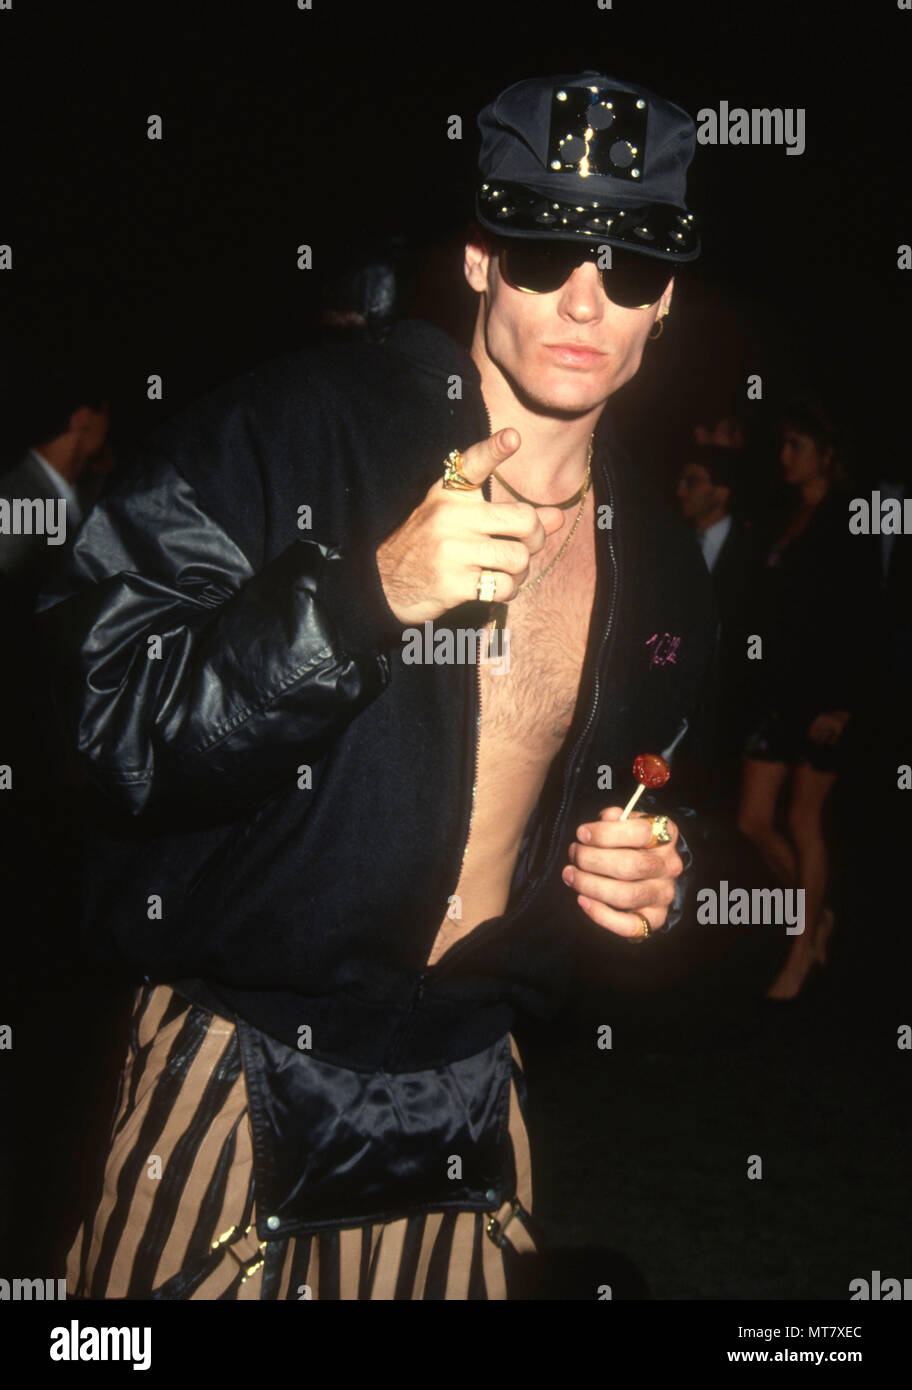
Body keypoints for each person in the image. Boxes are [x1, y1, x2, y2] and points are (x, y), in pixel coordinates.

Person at [36, 71, 716, 1300]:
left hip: (475, 1076)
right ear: (475, 258)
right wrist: (363, 598)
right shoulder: (283, 431)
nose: (583, 294)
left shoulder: (659, 557)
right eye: (544, 244)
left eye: (630, 264)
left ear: (666, 301)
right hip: (236, 1065)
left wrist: (662, 885)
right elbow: (99, 729)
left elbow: (658, 807)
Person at [737, 398, 866, 1001]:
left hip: (823, 697)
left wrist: (843, 704)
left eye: (797, 446)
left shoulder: (849, 517)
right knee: (753, 820)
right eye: (782, 445)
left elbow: (863, 617)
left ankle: (800, 951)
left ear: (825, 453)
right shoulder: (786, 514)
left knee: (802, 818)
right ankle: (818, 918)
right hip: (777, 689)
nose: (785, 456)